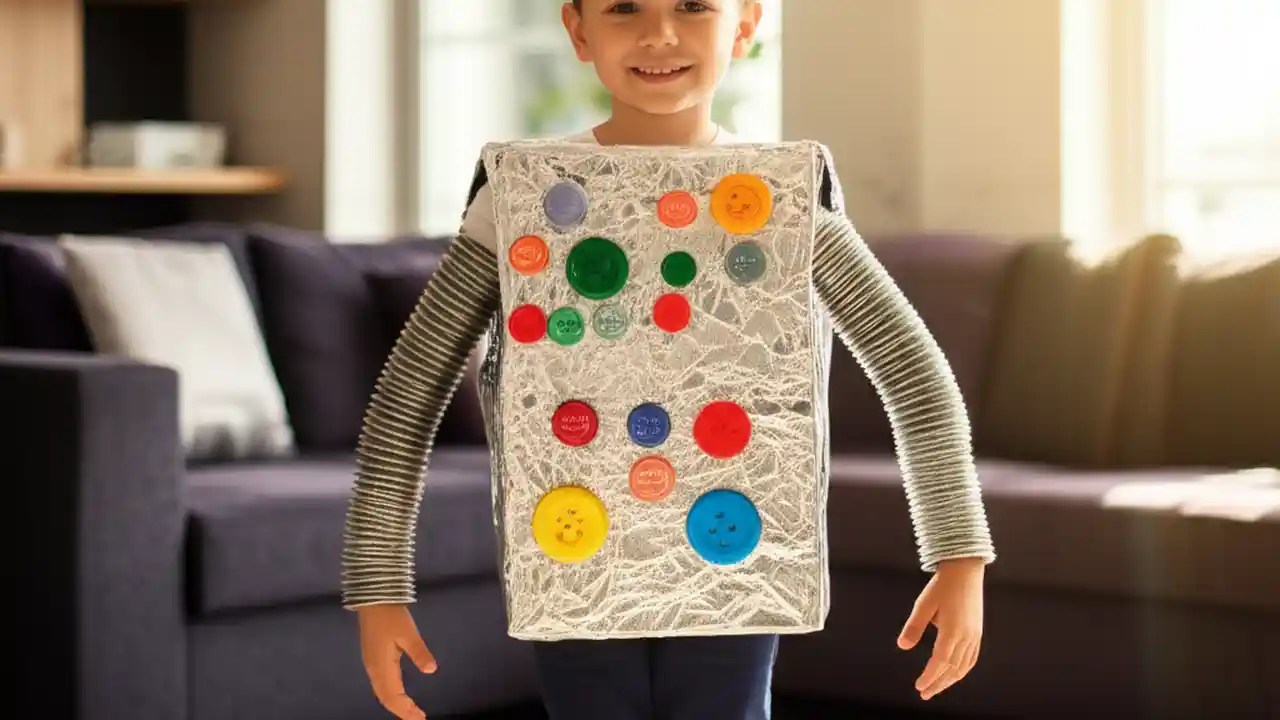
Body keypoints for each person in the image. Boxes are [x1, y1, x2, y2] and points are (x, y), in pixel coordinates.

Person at [341, 2, 995, 719]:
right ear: (578, 27)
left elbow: (915, 376)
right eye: (625, 7)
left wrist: (959, 554)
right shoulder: (519, 200)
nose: (659, 33)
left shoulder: (785, 199)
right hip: (575, 559)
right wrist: (378, 583)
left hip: (736, 565)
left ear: (745, 24)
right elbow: (407, 394)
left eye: (692, 5)